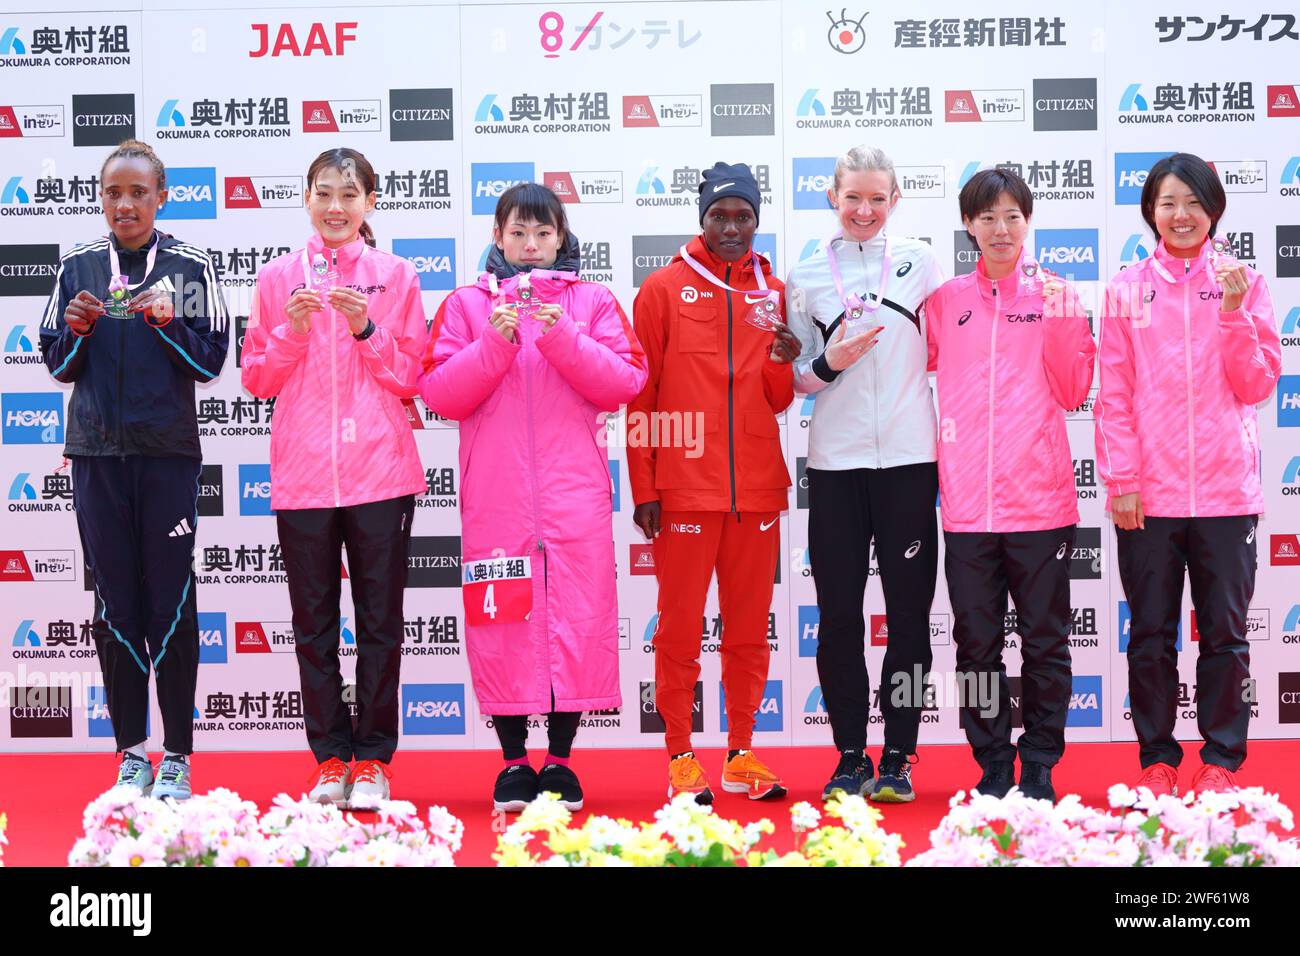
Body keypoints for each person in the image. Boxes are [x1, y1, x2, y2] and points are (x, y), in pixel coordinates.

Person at [419, 183, 646, 812]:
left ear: (561, 237)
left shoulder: (591, 301)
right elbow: (438, 394)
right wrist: (494, 340)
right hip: (497, 501)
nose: (529, 246)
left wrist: (559, 335)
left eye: (542, 234)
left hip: (574, 499)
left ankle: (563, 762)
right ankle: (513, 761)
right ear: (497, 237)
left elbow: (623, 381)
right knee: (503, 622)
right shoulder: (467, 305)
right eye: (517, 233)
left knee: (577, 621)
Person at [39, 139, 229, 799]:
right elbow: (57, 364)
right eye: (113, 192)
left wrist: (169, 322)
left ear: (161, 197)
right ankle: (130, 754)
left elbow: (211, 362)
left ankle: (176, 754)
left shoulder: (188, 265)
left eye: (138, 192)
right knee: (115, 601)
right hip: (95, 455)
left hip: (169, 455)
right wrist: (78, 330)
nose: (125, 204)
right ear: (101, 198)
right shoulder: (76, 265)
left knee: (172, 600)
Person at [242, 148, 428, 808]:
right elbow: (257, 379)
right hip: (302, 475)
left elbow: (411, 377)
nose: (336, 207)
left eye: (350, 194)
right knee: (312, 624)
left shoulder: (396, 276)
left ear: (370, 202)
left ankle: (373, 760)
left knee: (381, 623)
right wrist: (292, 333)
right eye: (324, 192)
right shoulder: (275, 279)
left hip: (381, 471)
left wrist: (363, 326)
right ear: (306, 198)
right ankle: (329, 759)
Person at [1096, 152, 1281, 796]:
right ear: (1151, 211)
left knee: (1225, 637)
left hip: (1228, 495)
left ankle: (1222, 760)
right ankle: (1157, 757)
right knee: (1150, 634)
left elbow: (1256, 384)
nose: (1181, 216)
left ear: (1213, 211)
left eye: (1193, 203)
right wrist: (1122, 480)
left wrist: (1231, 314)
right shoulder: (1125, 289)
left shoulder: (1246, 282)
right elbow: (1113, 393)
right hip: (1148, 495)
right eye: (1168, 203)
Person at [629, 162, 801, 803]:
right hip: (683, 488)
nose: (732, 228)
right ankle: (679, 754)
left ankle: (740, 752)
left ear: (758, 221)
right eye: (719, 216)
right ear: (700, 218)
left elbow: (777, 399)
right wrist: (645, 487)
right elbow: (640, 395)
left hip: (756, 487)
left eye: (744, 217)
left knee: (749, 630)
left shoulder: (773, 292)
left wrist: (783, 362)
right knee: (678, 629)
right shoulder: (663, 289)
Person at [926, 168, 1096, 803]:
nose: (1001, 229)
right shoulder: (945, 301)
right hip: (967, 508)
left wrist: (1053, 316)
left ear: (1028, 222)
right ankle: (993, 760)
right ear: (969, 225)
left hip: (1041, 504)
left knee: (1047, 643)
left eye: (1012, 217)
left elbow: (1076, 391)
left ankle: (1042, 762)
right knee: (977, 649)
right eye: (987, 217)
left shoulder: (1058, 295)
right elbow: (910, 377)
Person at [785, 145, 946, 803]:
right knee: (840, 618)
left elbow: (953, 349)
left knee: (909, 619)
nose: (864, 209)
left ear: (895, 200)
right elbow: (794, 377)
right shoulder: (804, 274)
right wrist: (831, 362)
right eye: (853, 196)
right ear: (832, 195)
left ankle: (900, 755)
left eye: (878, 198)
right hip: (835, 465)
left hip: (909, 462)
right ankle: (850, 755)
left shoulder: (922, 262)